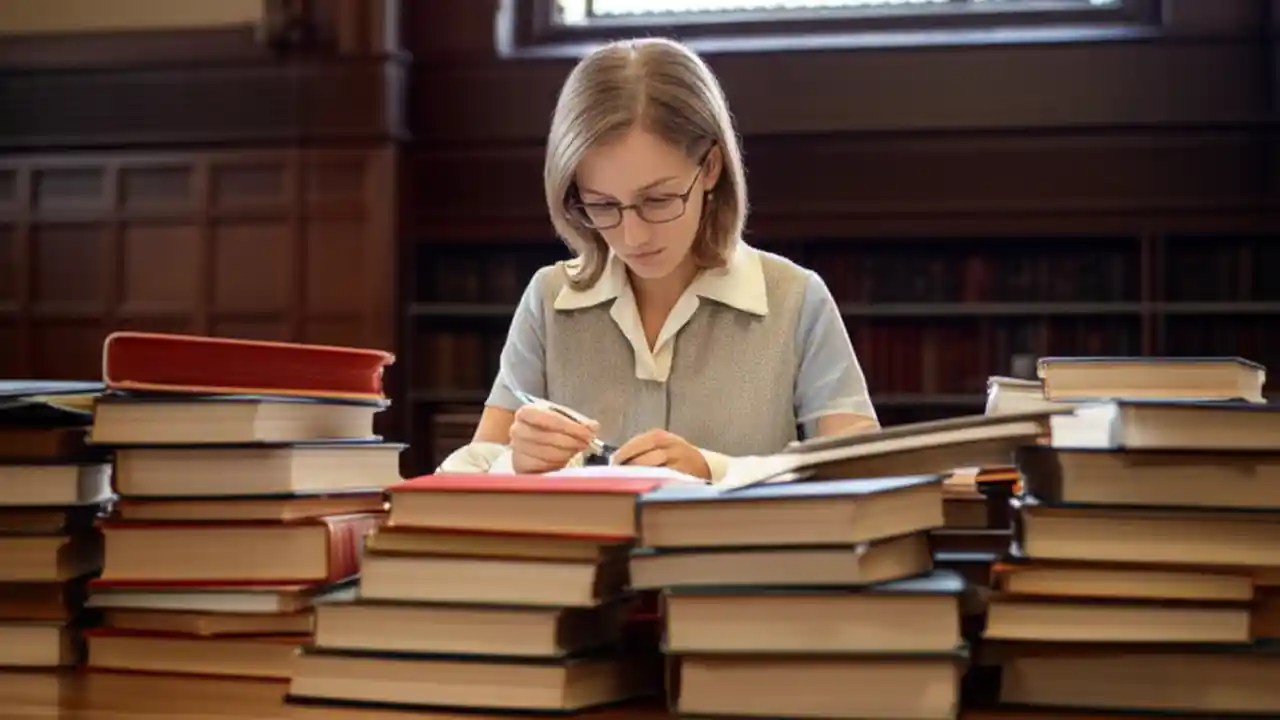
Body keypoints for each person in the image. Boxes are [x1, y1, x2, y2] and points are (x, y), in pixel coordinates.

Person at [439, 37, 879, 483]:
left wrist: (713, 469)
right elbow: (469, 472)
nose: (633, 236)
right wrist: (515, 460)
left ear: (710, 169)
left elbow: (863, 474)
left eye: (659, 199)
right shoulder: (549, 300)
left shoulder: (795, 300)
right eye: (603, 205)